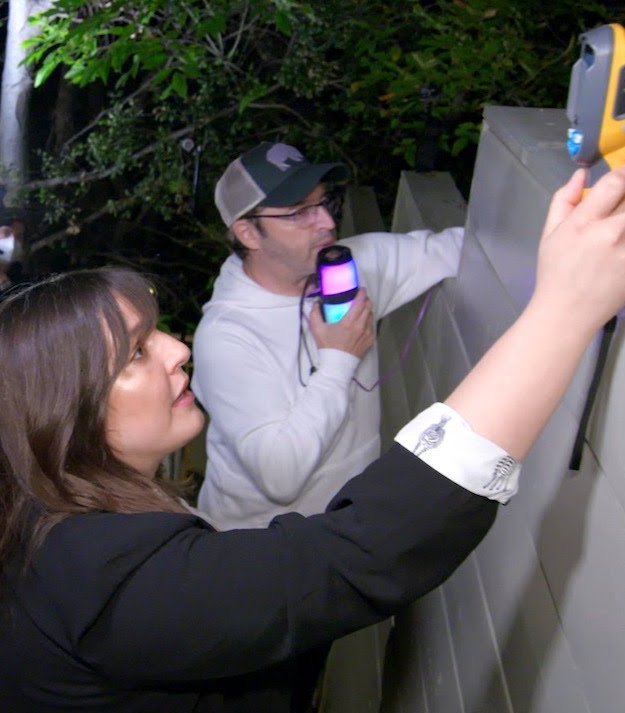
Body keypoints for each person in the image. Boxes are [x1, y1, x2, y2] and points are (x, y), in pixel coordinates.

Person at [0, 158, 625, 713]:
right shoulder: (114, 573)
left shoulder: (64, 518)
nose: (178, 350)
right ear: (69, 412)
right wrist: (566, 311)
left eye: (158, 330)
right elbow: (367, 552)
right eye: (138, 352)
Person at [192, 141, 467, 530]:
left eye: (324, 202)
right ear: (248, 233)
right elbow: (281, 478)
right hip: (262, 551)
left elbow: (465, 250)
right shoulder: (226, 339)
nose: (326, 222)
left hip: (350, 525)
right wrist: (339, 359)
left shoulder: (349, 266)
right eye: (299, 212)